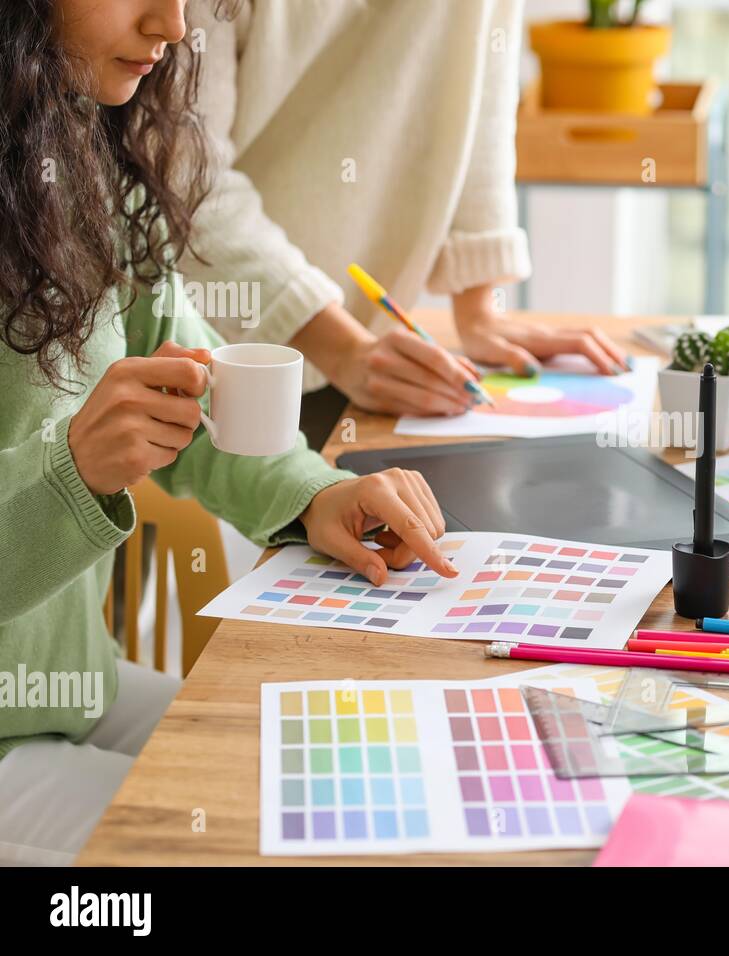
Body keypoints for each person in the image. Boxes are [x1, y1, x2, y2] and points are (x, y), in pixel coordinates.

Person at [0, 0, 457, 865]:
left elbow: (199, 394)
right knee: (246, 847)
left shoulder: (90, 166)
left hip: (70, 685)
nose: (172, 25)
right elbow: (85, 457)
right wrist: (71, 471)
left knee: (338, 797)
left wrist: (319, 495)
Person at [184, 0, 629, 444]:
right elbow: (188, 186)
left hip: (367, 350)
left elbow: (482, 81)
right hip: (227, 343)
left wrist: (479, 308)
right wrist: (343, 350)